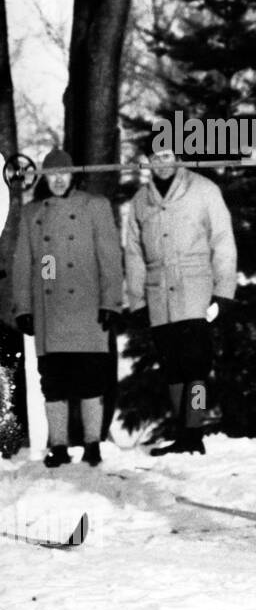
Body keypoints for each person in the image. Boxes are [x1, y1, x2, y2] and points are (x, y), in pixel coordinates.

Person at [10, 149, 123, 467]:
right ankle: (58, 445)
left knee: (90, 380)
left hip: (88, 308)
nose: (58, 180)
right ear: (45, 177)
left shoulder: (95, 206)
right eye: (52, 175)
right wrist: (24, 308)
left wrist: (111, 301)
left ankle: (92, 444)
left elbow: (110, 258)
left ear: (74, 175)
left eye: (64, 174)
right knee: (54, 384)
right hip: (50, 311)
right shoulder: (33, 213)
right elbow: (25, 264)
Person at [123, 149, 237, 456]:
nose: (161, 163)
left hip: (196, 292)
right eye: (154, 156)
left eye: (166, 154)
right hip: (158, 295)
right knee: (172, 368)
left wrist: (223, 291)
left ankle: (194, 433)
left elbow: (223, 240)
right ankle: (181, 433)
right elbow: (133, 253)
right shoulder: (139, 201)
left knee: (196, 367)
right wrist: (136, 300)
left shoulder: (203, 190)